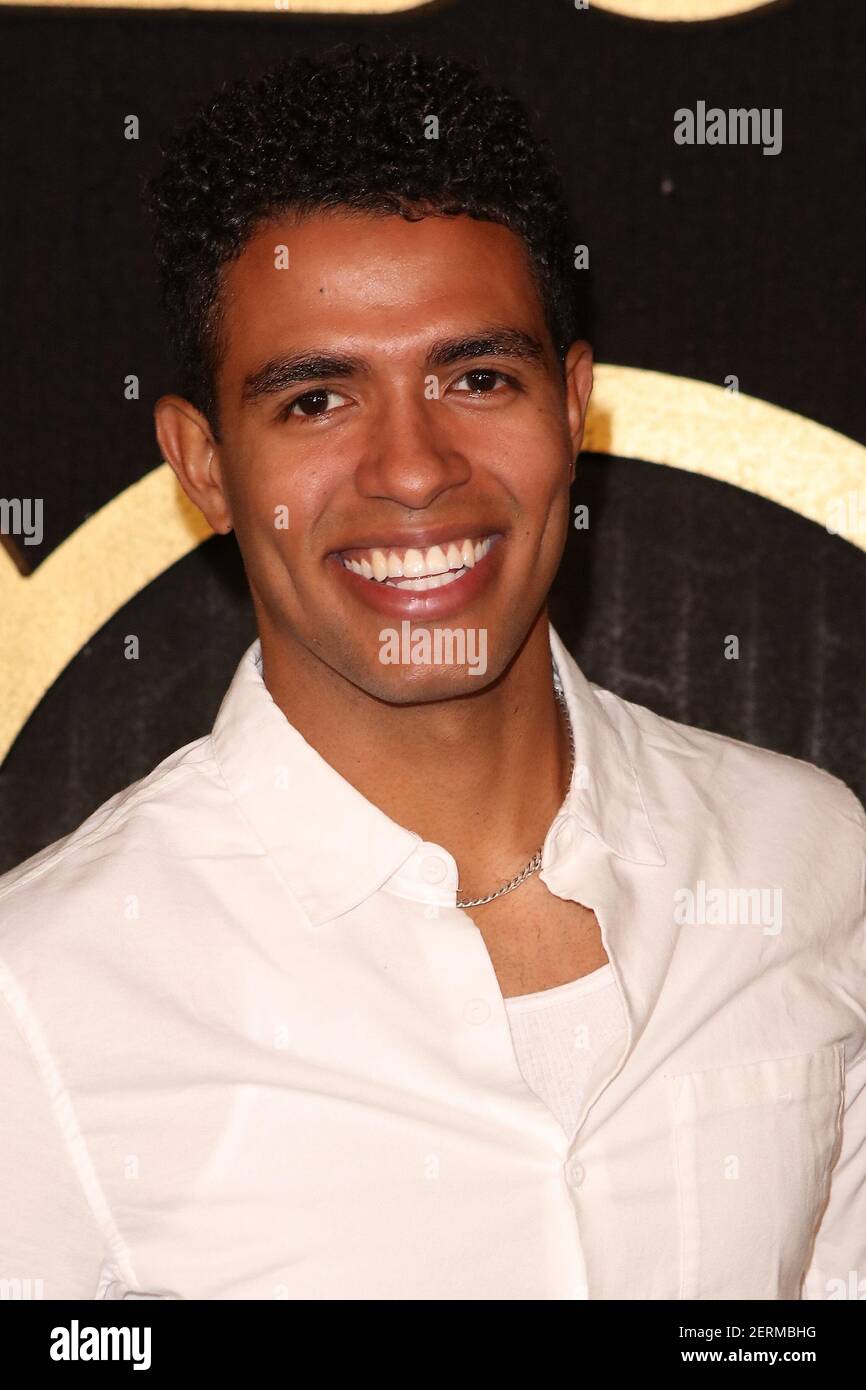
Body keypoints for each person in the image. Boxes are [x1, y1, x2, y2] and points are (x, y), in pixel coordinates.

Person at [0, 42, 863, 1302]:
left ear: (572, 408)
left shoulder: (806, 857)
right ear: (201, 466)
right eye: (314, 401)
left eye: (475, 377)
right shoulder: (43, 995)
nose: (412, 467)